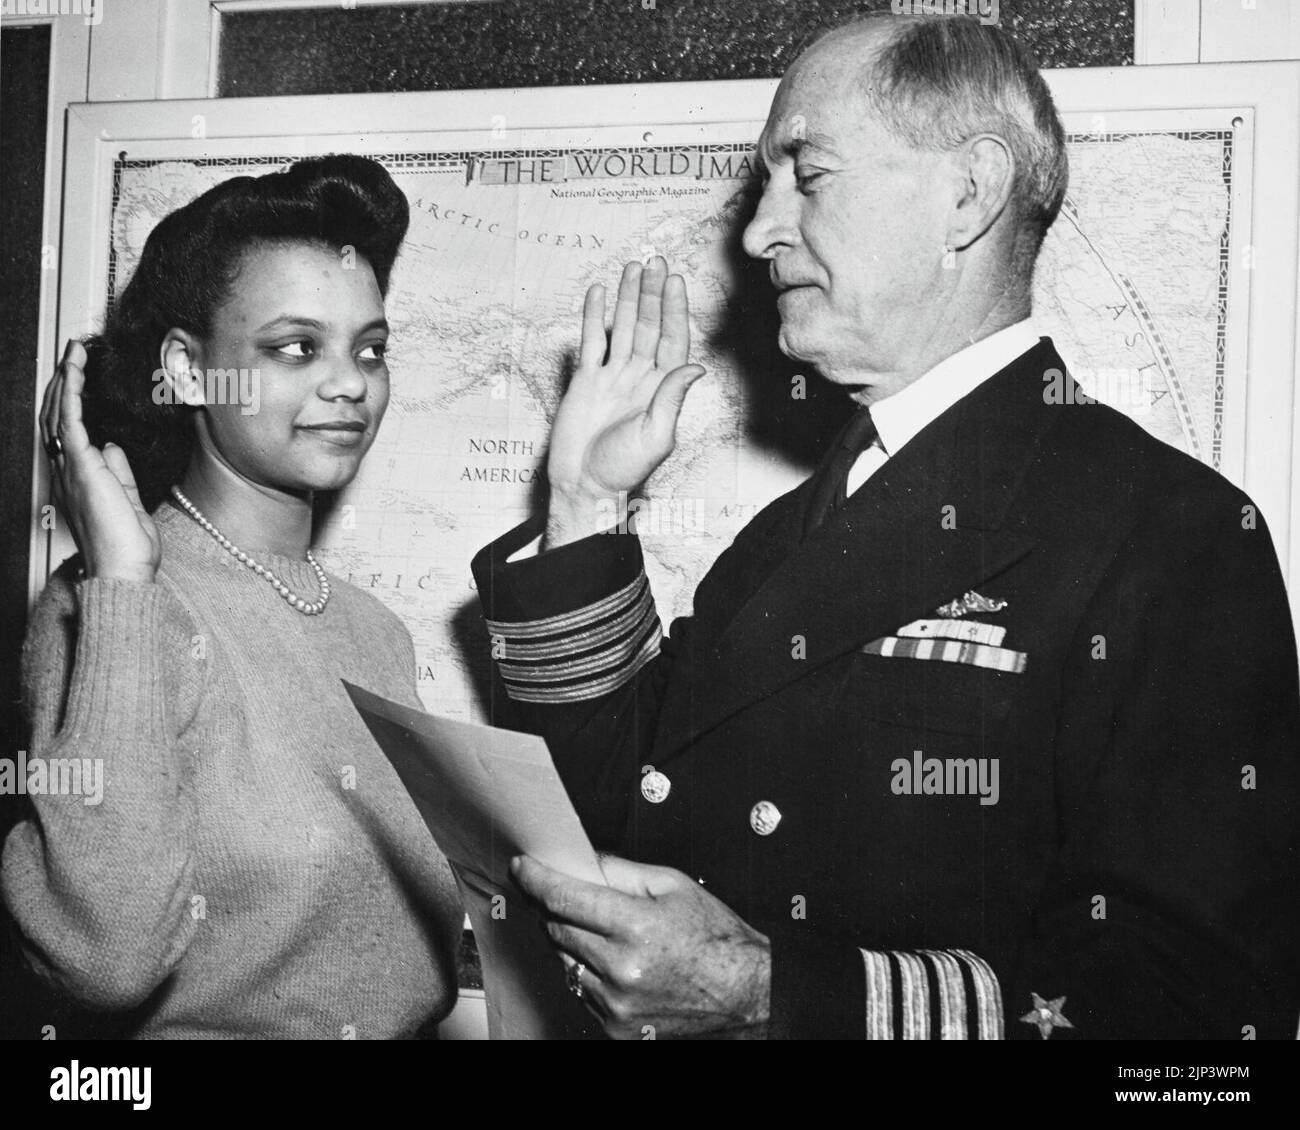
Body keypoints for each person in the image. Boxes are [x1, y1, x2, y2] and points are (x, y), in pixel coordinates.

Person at [471, 13, 1300, 1039]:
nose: (755, 231)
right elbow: (615, 827)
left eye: (805, 175)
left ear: (969, 191)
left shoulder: (1170, 535)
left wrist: (775, 993)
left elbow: (1197, 1024)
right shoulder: (786, 536)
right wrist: (586, 505)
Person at [3, 156, 464, 1038]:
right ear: (185, 369)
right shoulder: (110, 609)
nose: (350, 384)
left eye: (370, 349)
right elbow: (105, 956)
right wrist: (123, 587)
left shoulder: (375, 630)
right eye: (296, 347)